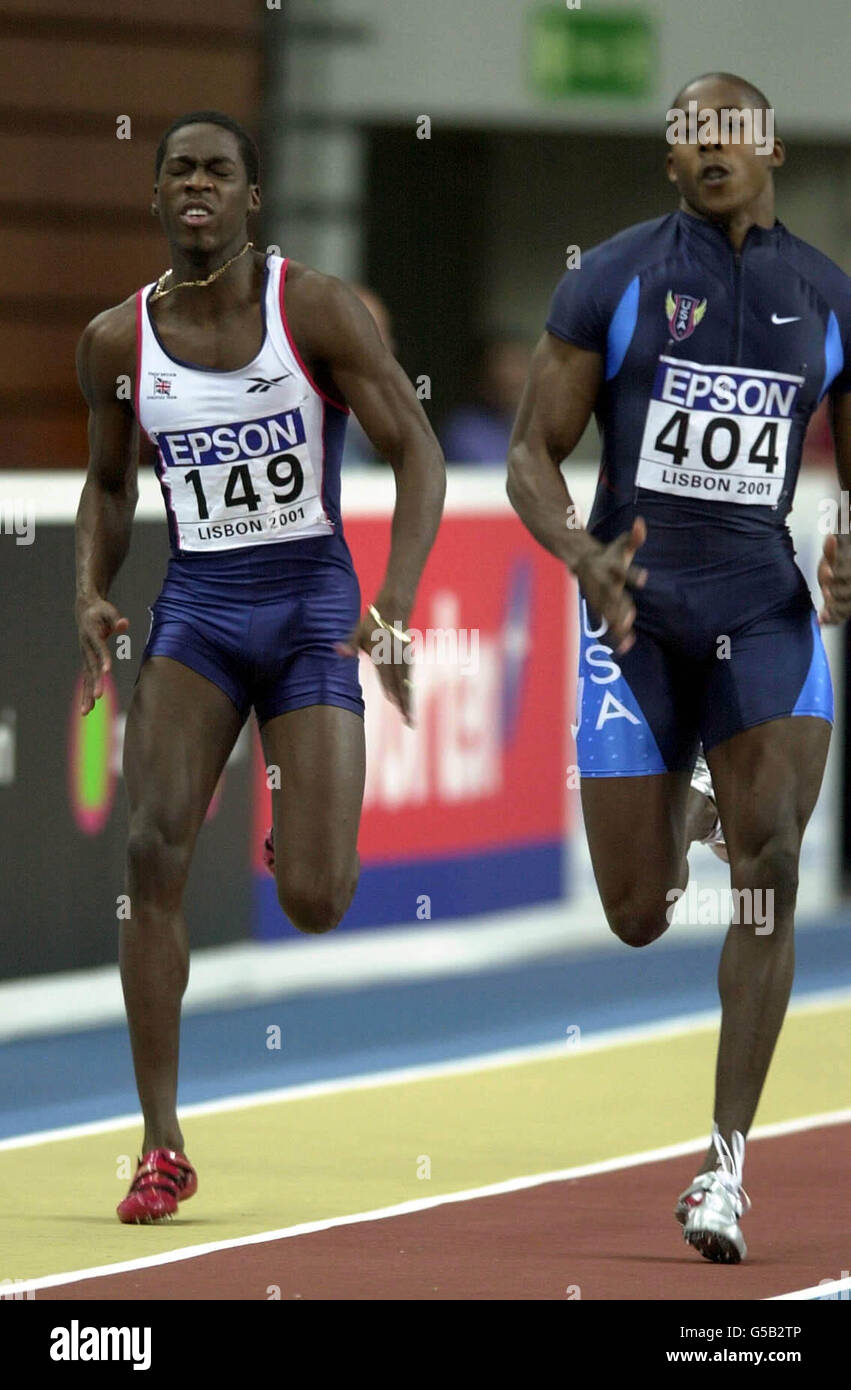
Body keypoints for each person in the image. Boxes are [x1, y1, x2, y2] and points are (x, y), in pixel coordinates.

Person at [74, 110, 445, 1224]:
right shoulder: (115, 342)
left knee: (318, 897)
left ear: (251, 196)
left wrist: (392, 599)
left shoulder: (312, 308)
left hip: (310, 607)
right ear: (156, 197)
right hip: (199, 609)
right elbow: (106, 486)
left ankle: (299, 812)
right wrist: (91, 587)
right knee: (152, 854)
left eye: (218, 170)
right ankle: (161, 1143)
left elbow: (416, 452)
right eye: (178, 169)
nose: (197, 184)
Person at [507, 72, 851, 1263]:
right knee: (638, 913)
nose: (710, 148)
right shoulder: (611, 277)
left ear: (770, 148)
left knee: (769, 864)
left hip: (762, 615)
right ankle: (685, 808)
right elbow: (528, 454)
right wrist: (576, 551)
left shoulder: (825, 295)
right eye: (689, 135)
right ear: (669, 162)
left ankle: (722, 1165)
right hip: (635, 623)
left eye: (731, 132)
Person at [442, 331, 532, 464]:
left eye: (523, 364)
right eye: (508, 365)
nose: (518, 377)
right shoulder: (466, 433)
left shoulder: (525, 428)